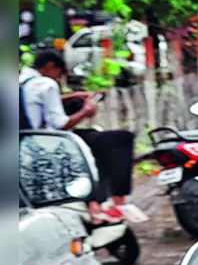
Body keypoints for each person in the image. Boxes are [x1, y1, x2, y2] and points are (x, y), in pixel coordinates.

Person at [19, 50, 134, 224]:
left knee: (97, 142)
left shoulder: (23, 81)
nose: (58, 78)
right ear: (51, 67)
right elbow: (60, 123)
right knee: (120, 139)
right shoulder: (46, 84)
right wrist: (86, 112)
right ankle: (115, 201)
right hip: (50, 141)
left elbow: (34, 103)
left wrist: (69, 98)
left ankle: (96, 204)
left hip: (27, 142)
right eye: (59, 73)